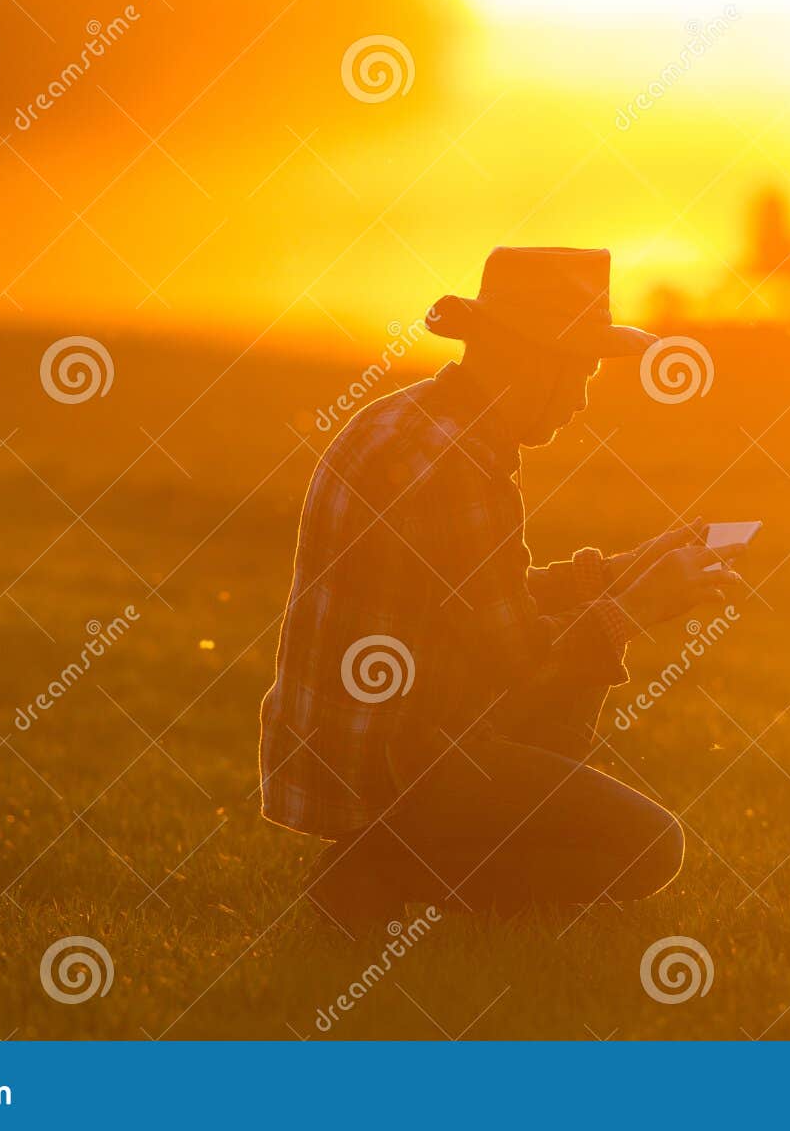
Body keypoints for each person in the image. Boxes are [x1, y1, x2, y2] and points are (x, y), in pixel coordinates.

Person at [259, 246, 747, 931]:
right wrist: (637, 606)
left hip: (341, 750)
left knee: (575, 681)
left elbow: (480, 600)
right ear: (529, 362)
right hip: (392, 766)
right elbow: (520, 659)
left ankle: (401, 859)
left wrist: (617, 572)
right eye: (577, 374)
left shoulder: (409, 419)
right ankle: (381, 867)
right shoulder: (464, 463)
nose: (581, 402)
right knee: (650, 848)